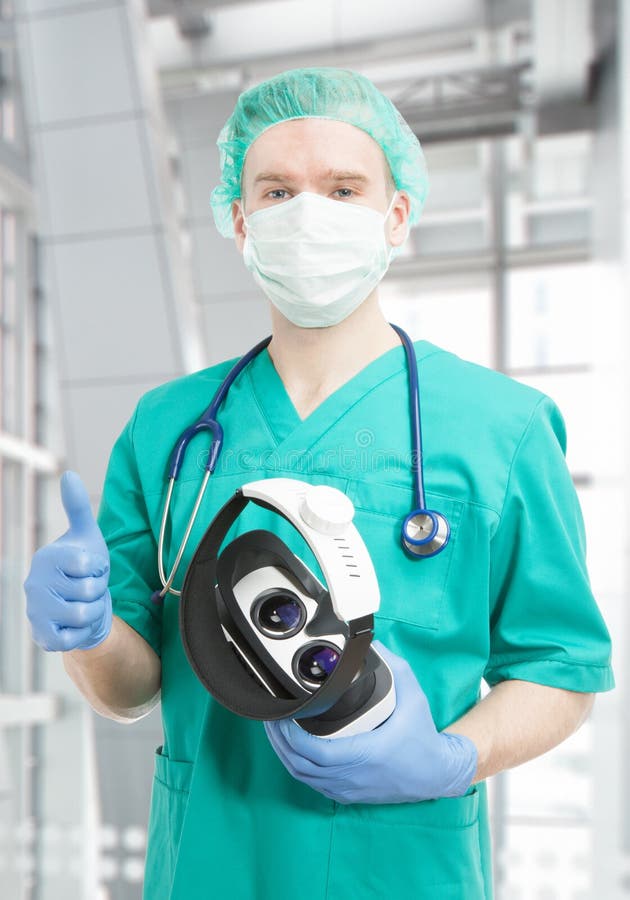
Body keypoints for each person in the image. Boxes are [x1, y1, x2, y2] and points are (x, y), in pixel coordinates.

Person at [23, 67, 614, 899]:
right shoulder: (167, 429)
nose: (309, 215)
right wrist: (85, 635)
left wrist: (453, 759)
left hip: (403, 870)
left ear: (395, 214)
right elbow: (132, 689)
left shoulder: (502, 429)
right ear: (239, 218)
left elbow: (562, 667)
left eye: (343, 188)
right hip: (203, 868)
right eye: (276, 191)